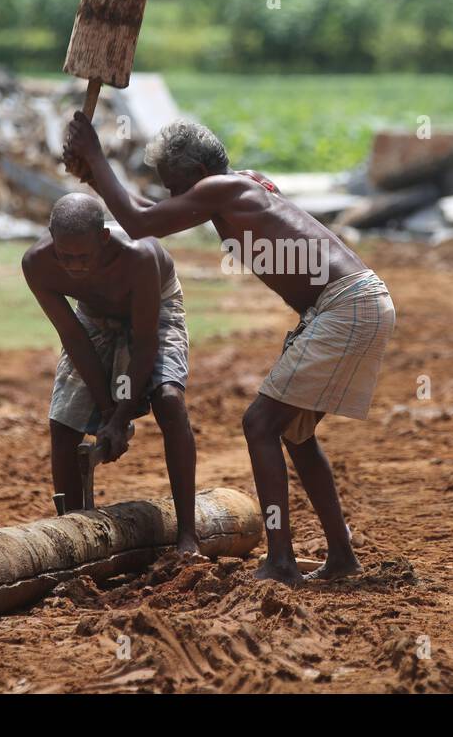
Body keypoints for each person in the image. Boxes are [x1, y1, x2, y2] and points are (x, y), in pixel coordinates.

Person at [65, 114, 395, 584]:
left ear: (199, 174)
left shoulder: (222, 190)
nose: (176, 200)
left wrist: (96, 155)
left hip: (344, 306)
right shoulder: (243, 185)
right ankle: (341, 557)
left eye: (177, 188)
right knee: (295, 436)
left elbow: (140, 223)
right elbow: (145, 212)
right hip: (353, 303)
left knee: (259, 424)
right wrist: (97, 177)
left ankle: (280, 562)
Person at [21, 192, 199, 553]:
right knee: (63, 424)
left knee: (168, 400)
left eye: (83, 256)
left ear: (104, 238)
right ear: (50, 237)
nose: (74, 266)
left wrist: (122, 416)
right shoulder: (37, 264)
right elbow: (73, 335)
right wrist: (106, 410)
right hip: (94, 315)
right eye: (64, 255)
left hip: (154, 308)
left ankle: (188, 533)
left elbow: (146, 340)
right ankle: (70, 539)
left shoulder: (139, 256)